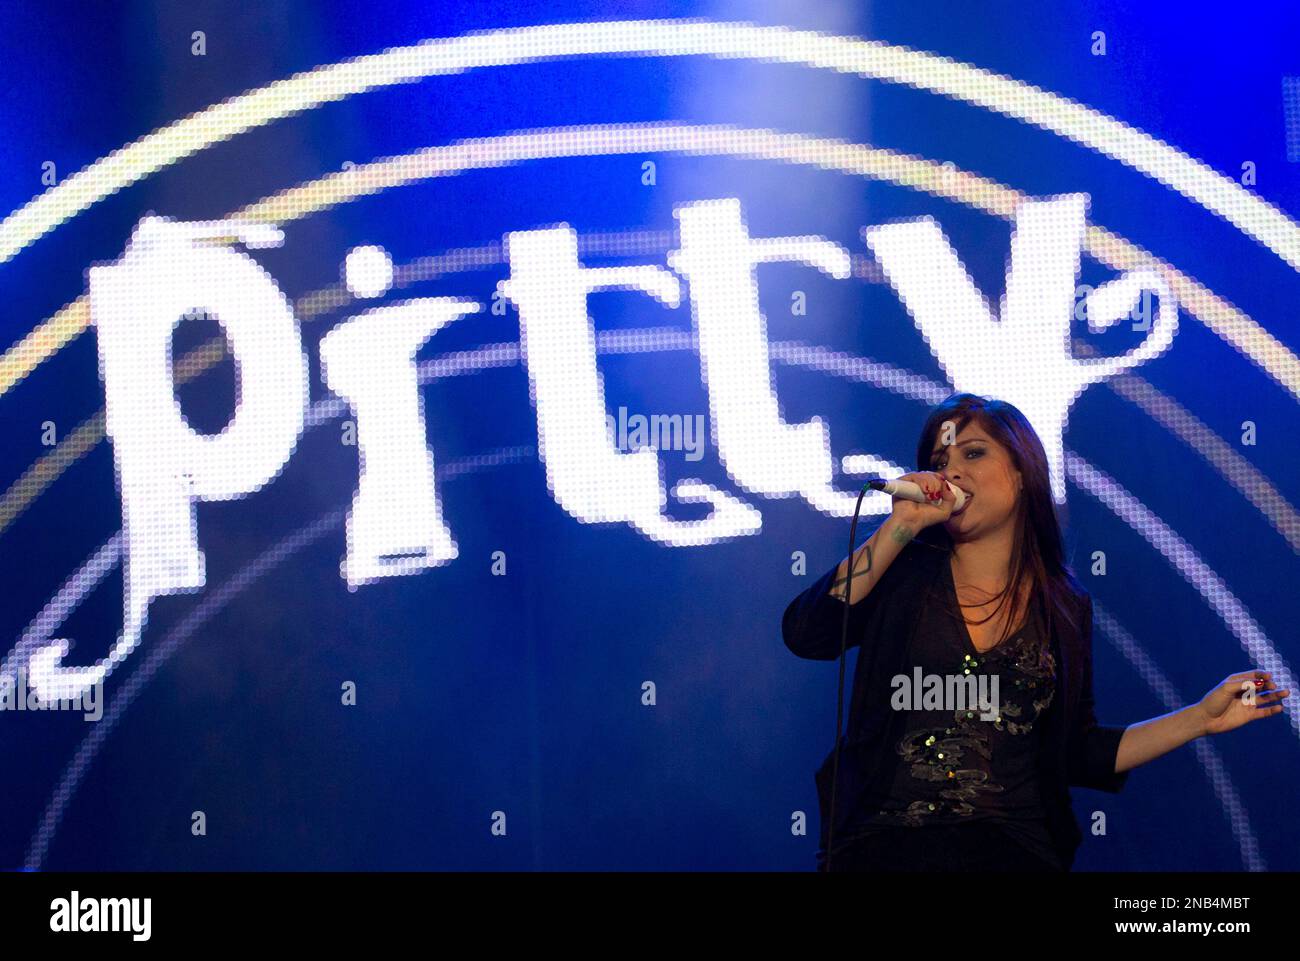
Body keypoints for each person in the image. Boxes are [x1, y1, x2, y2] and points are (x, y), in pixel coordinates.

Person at [782, 393, 1290, 871]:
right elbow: (808, 633)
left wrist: (1200, 718)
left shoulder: (1064, 606)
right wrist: (900, 527)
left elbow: (1079, 752)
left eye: (974, 453)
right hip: (885, 846)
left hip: (1014, 851)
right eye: (940, 462)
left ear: (1023, 472)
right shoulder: (901, 573)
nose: (951, 471)